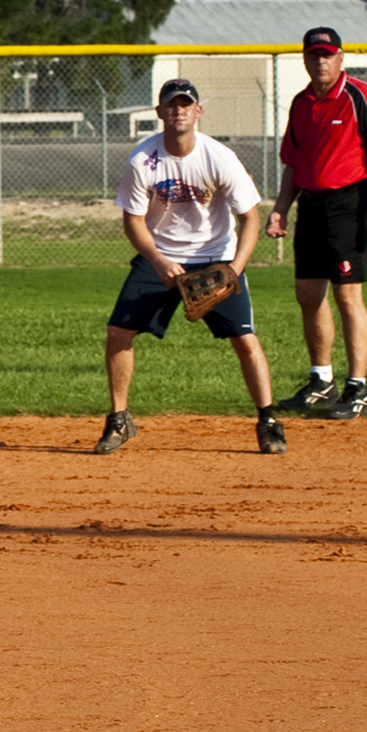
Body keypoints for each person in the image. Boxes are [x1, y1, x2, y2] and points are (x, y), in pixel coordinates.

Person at [93, 79, 284, 456]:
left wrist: (234, 270)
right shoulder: (142, 160)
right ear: (160, 112)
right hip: (161, 255)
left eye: (186, 103)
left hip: (216, 256)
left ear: (198, 111)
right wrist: (160, 261)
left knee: (245, 340)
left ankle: (268, 421)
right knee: (118, 333)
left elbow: (249, 217)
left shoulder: (219, 157)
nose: (179, 109)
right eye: (171, 104)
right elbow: (133, 221)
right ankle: (119, 419)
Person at [264, 26, 367, 420]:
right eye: (314, 55)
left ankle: (358, 388)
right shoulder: (301, 103)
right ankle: (322, 382)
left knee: (347, 294)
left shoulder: (359, 95)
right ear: (305, 59)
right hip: (310, 204)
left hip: (349, 201)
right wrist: (280, 208)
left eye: (328, 54)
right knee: (308, 292)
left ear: (340, 58)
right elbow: (293, 161)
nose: (321, 61)